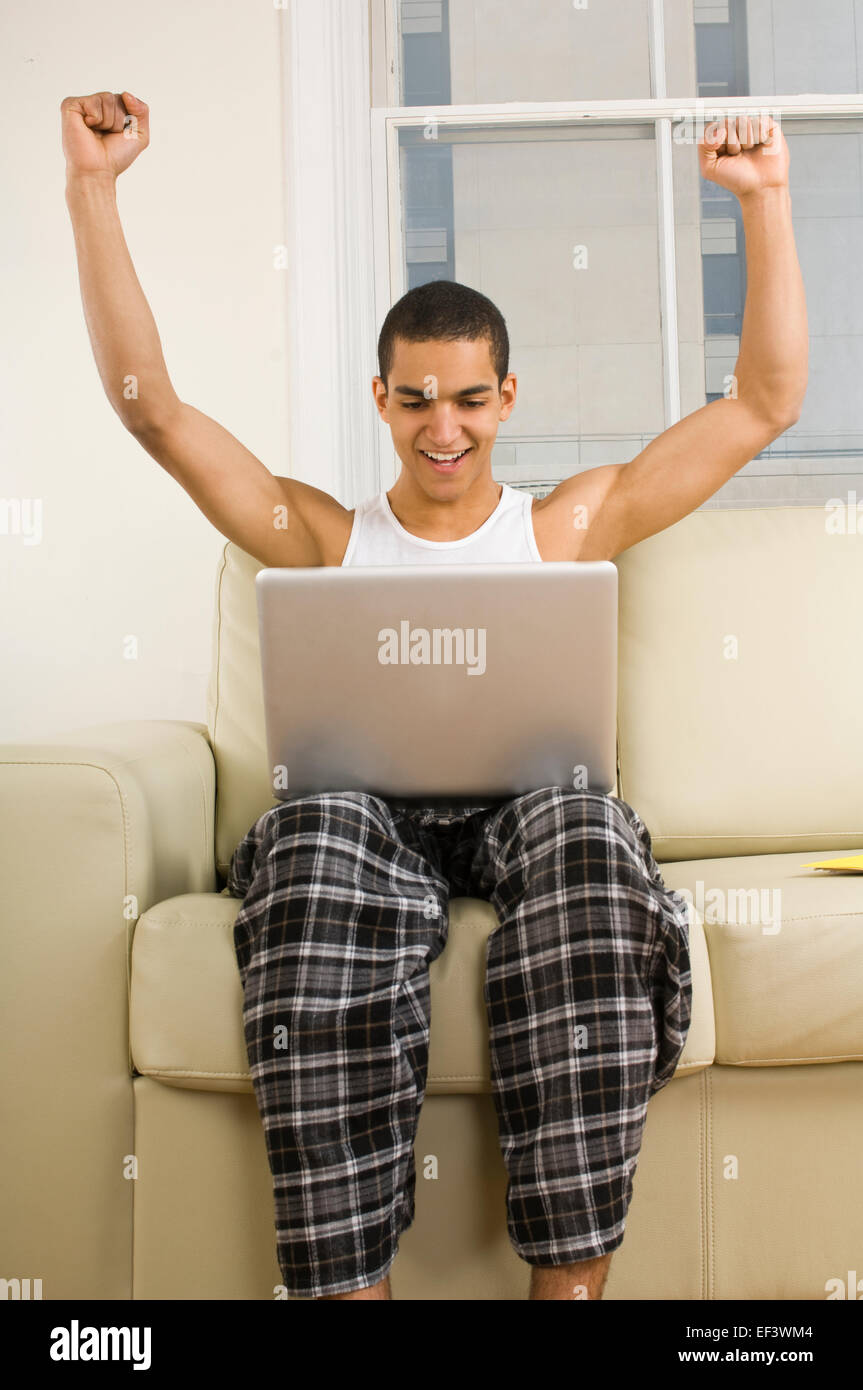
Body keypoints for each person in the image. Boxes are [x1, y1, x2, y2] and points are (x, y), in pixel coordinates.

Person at [61, 92, 808, 1300]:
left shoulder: (566, 523)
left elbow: (761, 406)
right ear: (380, 401)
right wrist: (92, 190)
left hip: (530, 812)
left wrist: (765, 200)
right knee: (309, 838)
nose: (441, 427)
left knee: (585, 836)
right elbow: (156, 415)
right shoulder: (315, 533)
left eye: (467, 399)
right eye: (414, 399)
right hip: (368, 826)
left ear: (504, 399)